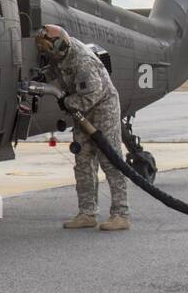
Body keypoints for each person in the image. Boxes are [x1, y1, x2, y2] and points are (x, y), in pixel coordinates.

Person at [34, 24, 131, 232]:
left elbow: (91, 95)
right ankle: (87, 213)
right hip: (82, 109)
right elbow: (54, 70)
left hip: (102, 107)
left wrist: (67, 102)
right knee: (83, 160)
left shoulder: (83, 62)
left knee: (110, 159)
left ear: (59, 46)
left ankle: (120, 214)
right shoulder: (58, 54)